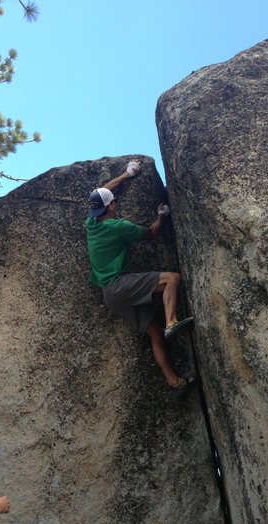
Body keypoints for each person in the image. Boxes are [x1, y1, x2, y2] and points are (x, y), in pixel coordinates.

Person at [84, 160, 195, 397]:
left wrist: (126, 174)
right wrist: (161, 216)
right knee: (172, 279)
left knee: (153, 333)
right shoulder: (118, 226)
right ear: (112, 207)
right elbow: (152, 233)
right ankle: (172, 322)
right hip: (120, 285)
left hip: (110, 295)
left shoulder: (91, 223)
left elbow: (103, 191)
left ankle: (174, 382)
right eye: (113, 202)